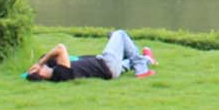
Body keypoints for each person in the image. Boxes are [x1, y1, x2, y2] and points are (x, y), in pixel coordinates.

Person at [26, 30, 155, 81]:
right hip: (106, 64)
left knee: (131, 58)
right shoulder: (60, 73)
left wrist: (41, 63)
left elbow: (47, 57)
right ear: (41, 74)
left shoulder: (55, 70)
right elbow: (60, 48)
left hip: (110, 71)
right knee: (119, 34)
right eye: (38, 68)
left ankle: (147, 59)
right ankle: (141, 70)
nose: (39, 65)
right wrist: (40, 64)